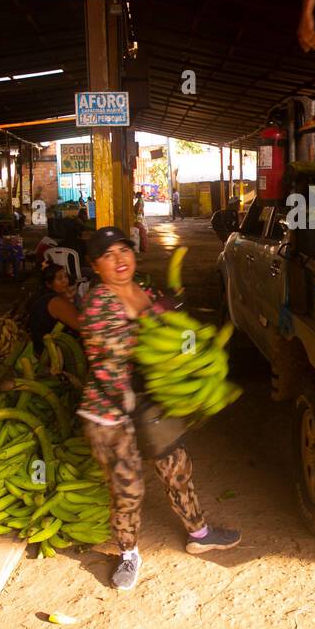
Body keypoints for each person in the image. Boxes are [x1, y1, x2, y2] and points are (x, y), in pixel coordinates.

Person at [77, 227, 240, 589]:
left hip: (152, 403)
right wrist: (158, 337)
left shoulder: (147, 292)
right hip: (111, 412)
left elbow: (173, 333)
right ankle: (128, 554)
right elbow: (110, 362)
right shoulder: (98, 305)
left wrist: (183, 335)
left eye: (124, 250)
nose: (120, 260)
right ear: (95, 265)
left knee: (177, 468)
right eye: (108, 255)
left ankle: (199, 533)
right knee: (128, 489)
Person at [29, 262, 81, 354]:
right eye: (59, 278)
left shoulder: (43, 297)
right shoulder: (55, 302)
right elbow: (81, 326)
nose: (65, 281)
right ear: (48, 284)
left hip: (42, 349)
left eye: (65, 276)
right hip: (51, 354)